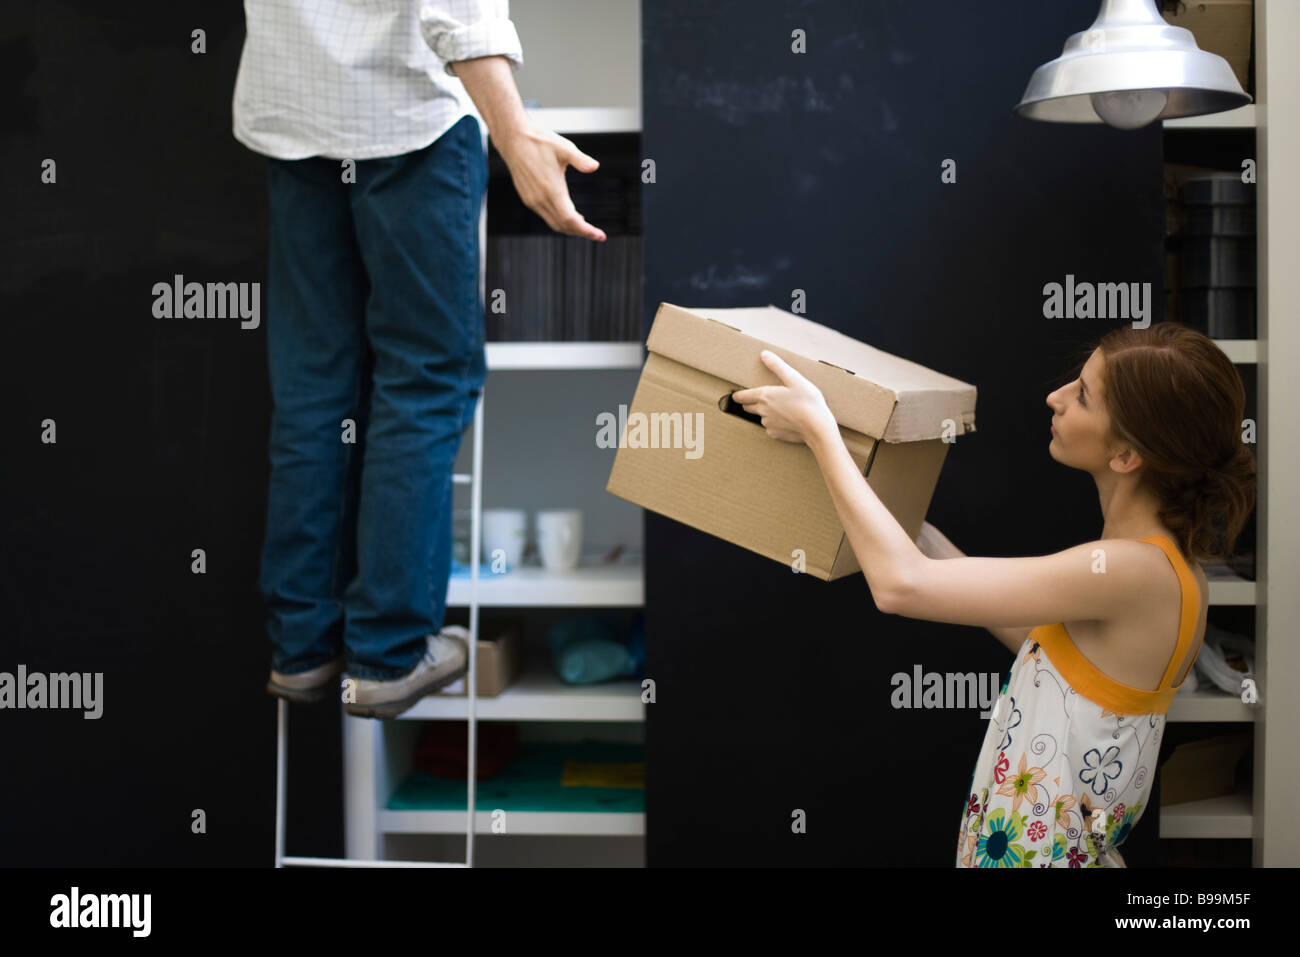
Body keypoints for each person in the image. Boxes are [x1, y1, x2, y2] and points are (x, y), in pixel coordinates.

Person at [732, 321, 1256, 867]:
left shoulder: (1129, 570)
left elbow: (900, 585)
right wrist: (863, 473)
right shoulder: (1158, 565)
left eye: (1082, 395)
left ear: (1125, 454)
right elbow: (1048, 652)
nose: (1054, 398)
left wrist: (821, 430)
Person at [233, 1, 605, 719]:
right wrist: (516, 130)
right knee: (424, 379)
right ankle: (388, 651)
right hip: (404, 121)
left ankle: (304, 647)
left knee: (315, 388)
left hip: (293, 115)